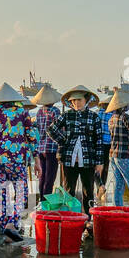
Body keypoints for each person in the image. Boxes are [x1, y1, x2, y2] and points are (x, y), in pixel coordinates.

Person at [0, 83, 38, 241]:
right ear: (15, 100)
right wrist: (37, 158)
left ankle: (5, 226)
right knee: (21, 193)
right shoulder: (23, 113)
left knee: (1, 193)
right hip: (16, 158)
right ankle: (12, 224)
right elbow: (31, 136)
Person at [48, 85, 104, 220]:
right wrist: (64, 141)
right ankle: (70, 219)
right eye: (73, 101)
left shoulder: (94, 117)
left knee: (88, 191)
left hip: (88, 160)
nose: (76, 103)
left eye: (79, 100)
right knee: (68, 191)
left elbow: (99, 141)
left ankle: (88, 220)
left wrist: (100, 162)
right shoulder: (66, 115)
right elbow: (51, 130)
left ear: (86, 100)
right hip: (68, 159)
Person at [105, 89, 129, 206]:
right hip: (124, 155)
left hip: (113, 154)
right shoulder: (124, 117)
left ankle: (118, 209)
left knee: (119, 184)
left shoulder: (111, 119)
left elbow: (121, 135)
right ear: (124, 106)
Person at [31, 85, 63, 198]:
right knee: (50, 178)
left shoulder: (39, 111)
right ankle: (46, 202)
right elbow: (59, 129)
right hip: (52, 148)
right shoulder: (55, 111)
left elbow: (37, 127)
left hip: (41, 148)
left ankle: (41, 200)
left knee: (42, 176)